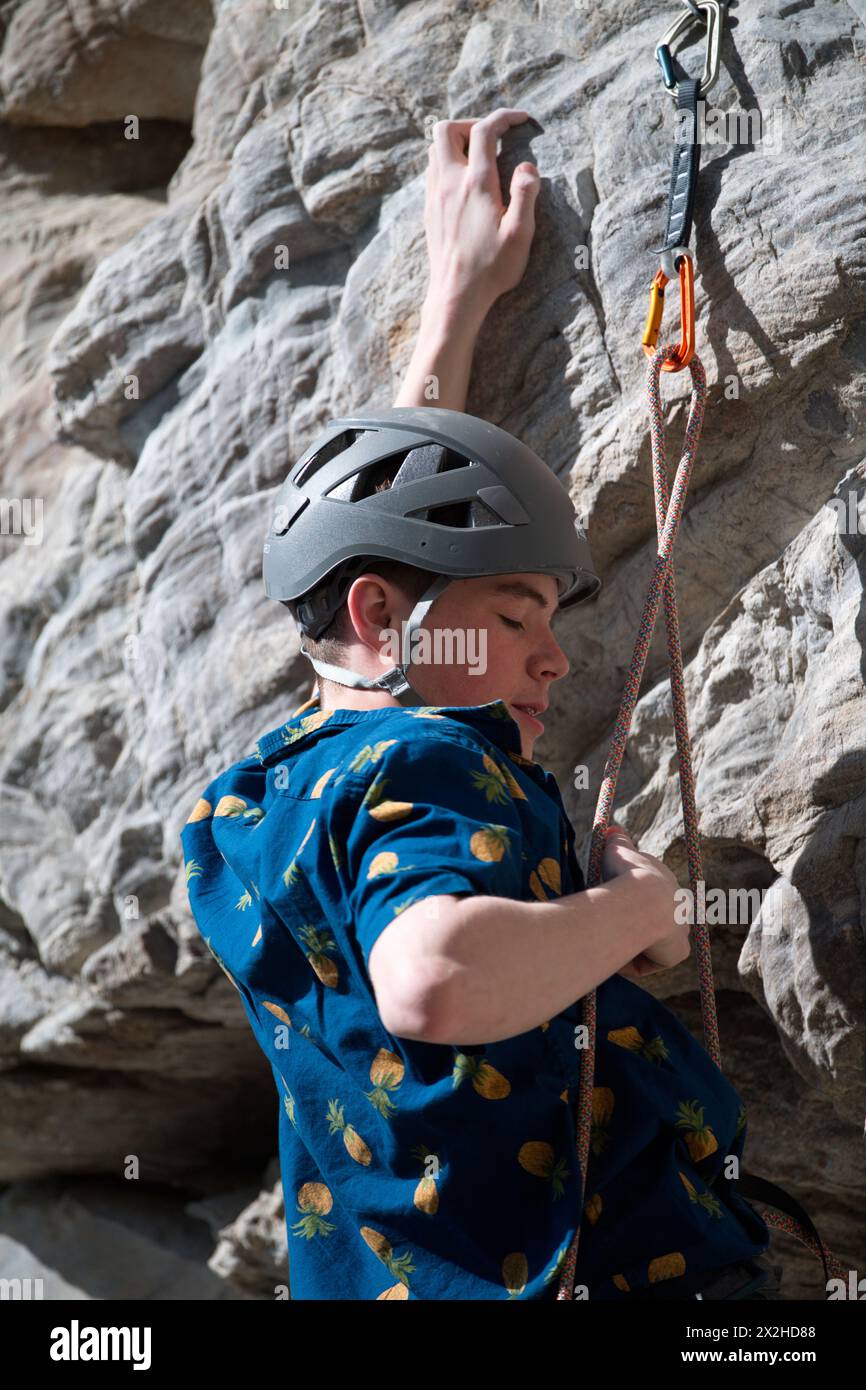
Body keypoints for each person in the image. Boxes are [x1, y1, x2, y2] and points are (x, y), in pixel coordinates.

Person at [180, 109, 777, 1300]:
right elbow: (434, 979)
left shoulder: (267, 794)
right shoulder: (423, 761)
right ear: (376, 619)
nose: (552, 661)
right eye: (516, 620)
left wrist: (455, 302)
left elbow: (396, 552)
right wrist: (635, 908)